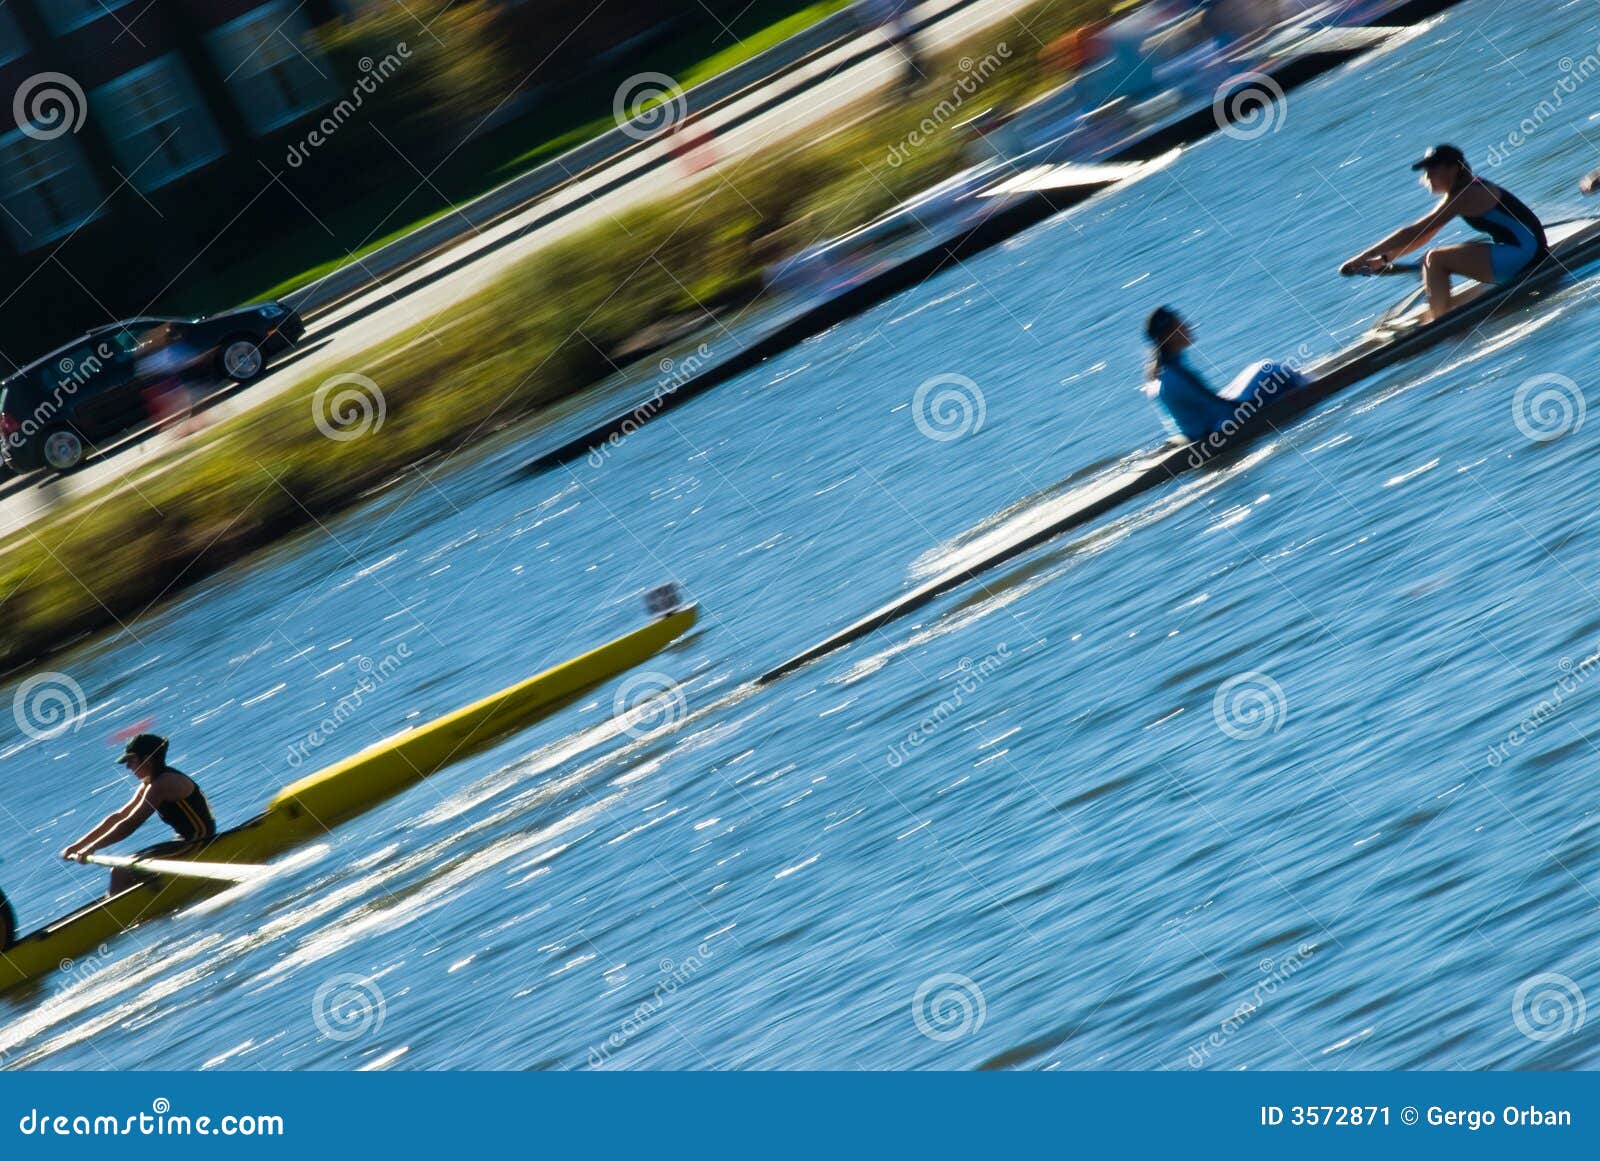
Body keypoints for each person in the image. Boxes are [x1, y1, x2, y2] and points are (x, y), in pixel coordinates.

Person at [1339, 145, 1547, 322]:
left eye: (1433, 170)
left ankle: (1440, 322)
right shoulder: (1462, 192)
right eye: (1426, 171)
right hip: (1527, 250)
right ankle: (1442, 310)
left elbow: (1414, 230)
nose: (1427, 176)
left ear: (1454, 169)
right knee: (1433, 256)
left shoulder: (1467, 194)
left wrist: (1361, 258)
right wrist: (1384, 258)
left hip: (1525, 254)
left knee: (1435, 259)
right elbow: (1425, 235)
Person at [61, 734, 216, 895]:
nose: (128, 767)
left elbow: (130, 824)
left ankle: (124, 909)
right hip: (184, 840)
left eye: (131, 760)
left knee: (119, 871)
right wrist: (78, 845)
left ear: (147, 760)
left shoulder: (163, 784)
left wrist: (92, 848)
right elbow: (120, 816)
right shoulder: (150, 783)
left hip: (198, 842)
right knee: (123, 871)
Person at [1145, 307, 1305, 442]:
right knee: (1269, 368)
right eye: (1181, 324)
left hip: (1197, 428)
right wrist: (1256, 405)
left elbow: (1203, 402)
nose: (1188, 326)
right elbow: (1216, 406)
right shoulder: (1175, 376)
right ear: (1169, 336)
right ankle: (1311, 385)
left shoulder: (1159, 371)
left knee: (1261, 371)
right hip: (1219, 426)